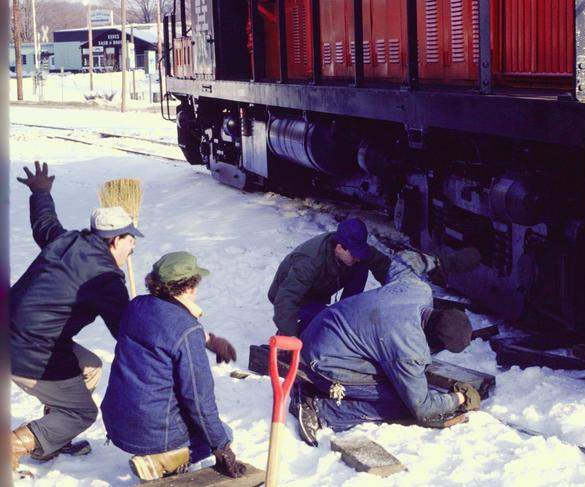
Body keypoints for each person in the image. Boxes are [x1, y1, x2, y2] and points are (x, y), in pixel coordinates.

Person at [10, 161, 143, 471]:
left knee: (91, 366)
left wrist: (40, 191)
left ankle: (51, 437)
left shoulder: (67, 240)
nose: (133, 245)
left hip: (20, 335)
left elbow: (44, 223)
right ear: (115, 240)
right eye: (130, 239)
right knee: (82, 413)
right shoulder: (106, 279)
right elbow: (126, 333)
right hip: (28, 352)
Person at [291, 249, 483, 445]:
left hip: (317, 328)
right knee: (401, 402)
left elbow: (403, 260)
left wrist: (439, 262)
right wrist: (460, 398)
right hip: (320, 361)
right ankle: (321, 410)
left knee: (399, 382)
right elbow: (422, 408)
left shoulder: (418, 290)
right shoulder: (408, 348)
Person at [101, 251, 245, 482]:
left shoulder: (137, 305)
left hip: (117, 421)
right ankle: (161, 461)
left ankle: (161, 454)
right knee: (225, 432)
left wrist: (208, 339)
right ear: (189, 286)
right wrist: (222, 447)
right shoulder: (187, 330)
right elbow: (199, 400)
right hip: (151, 430)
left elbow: (161, 328)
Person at [268, 218, 392, 336]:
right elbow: (287, 297)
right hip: (287, 295)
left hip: (317, 288)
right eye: (354, 254)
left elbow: (383, 264)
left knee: (361, 266)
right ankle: (296, 334)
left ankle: (346, 314)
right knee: (322, 317)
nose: (357, 257)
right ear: (339, 248)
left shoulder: (352, 245)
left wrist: (395, 291)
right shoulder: (310, 261)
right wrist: (289, 335)